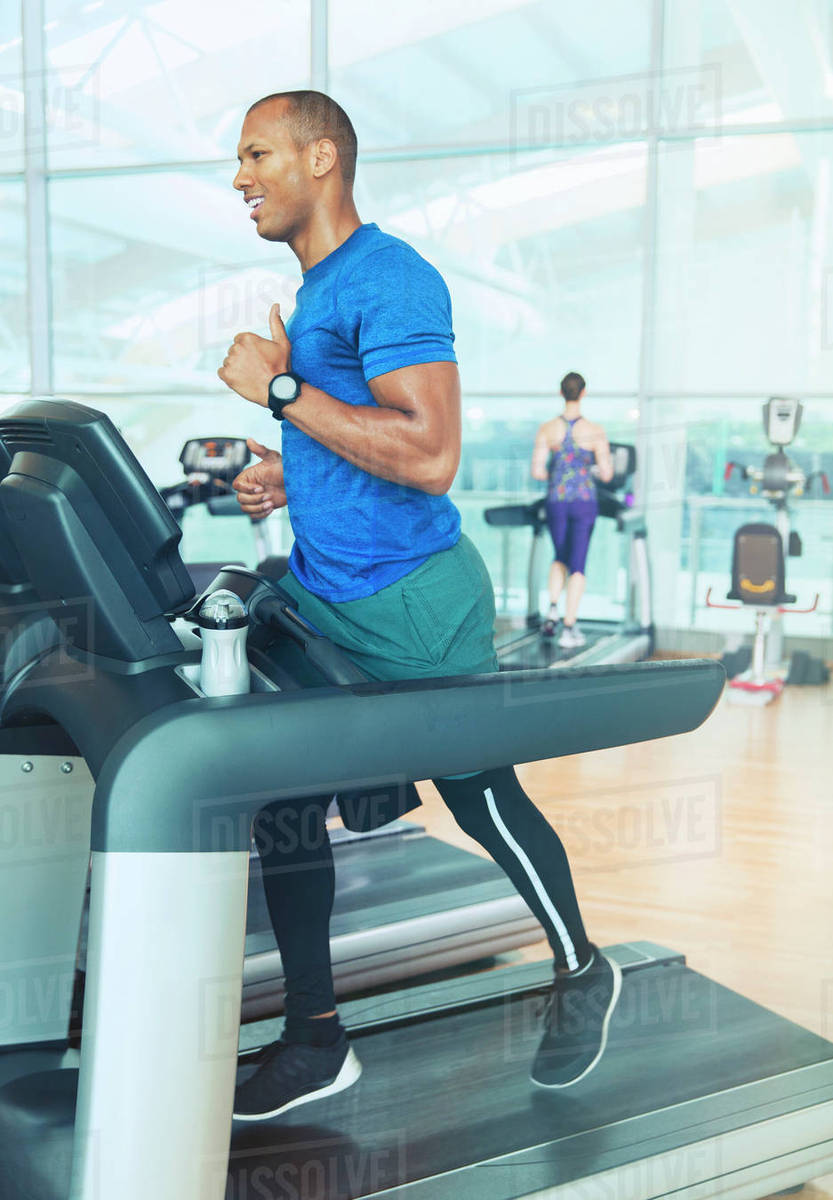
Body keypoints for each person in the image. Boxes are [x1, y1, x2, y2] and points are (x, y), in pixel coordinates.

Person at [216, 90, 621, 1122]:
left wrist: (281, 394)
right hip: (328, 597)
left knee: (479, 796)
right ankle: (315, 1039)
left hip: (411, 607)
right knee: (283, 798)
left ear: (320, 158)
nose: (239, 177)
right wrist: (291, 470)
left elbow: (430, 455)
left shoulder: (388, 278)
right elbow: (359, 433)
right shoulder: (316, 292)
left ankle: (582, 968)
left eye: (256, 154)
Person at [531, 374, 613, 647]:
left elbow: (537, 471)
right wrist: (587, 471)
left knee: (560, 556)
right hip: (584, 501)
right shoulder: (595, 430)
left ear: (561, 392)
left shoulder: (547, 429)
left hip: (556, 500)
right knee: (577, 564)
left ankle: (553, 609)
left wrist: (559, 474)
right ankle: (568, 627)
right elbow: (607, 473)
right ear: (584, 393)